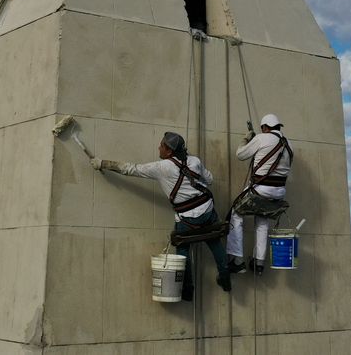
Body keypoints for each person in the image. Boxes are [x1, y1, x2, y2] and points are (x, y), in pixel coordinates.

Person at [91, 131, 231, 299]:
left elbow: (131, 169)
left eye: (161, 145)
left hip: (187, 217)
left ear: (169, 151)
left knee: (183, 248)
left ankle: (187, 290)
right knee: (214, 241)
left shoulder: (162, 167)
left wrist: (103, 163)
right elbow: (210, 180)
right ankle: (225, 278)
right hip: (207, 209)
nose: (159, 147)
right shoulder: (195, 161)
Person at [227, 113, 293, 276]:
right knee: (262, 219)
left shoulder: (261, 138)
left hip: (260, 189)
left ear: (265, 127)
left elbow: (240, 154)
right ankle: (259, 263)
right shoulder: (289, 144)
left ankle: (237, 261)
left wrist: (247, 139)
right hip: (278, 193)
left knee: (236, 213)